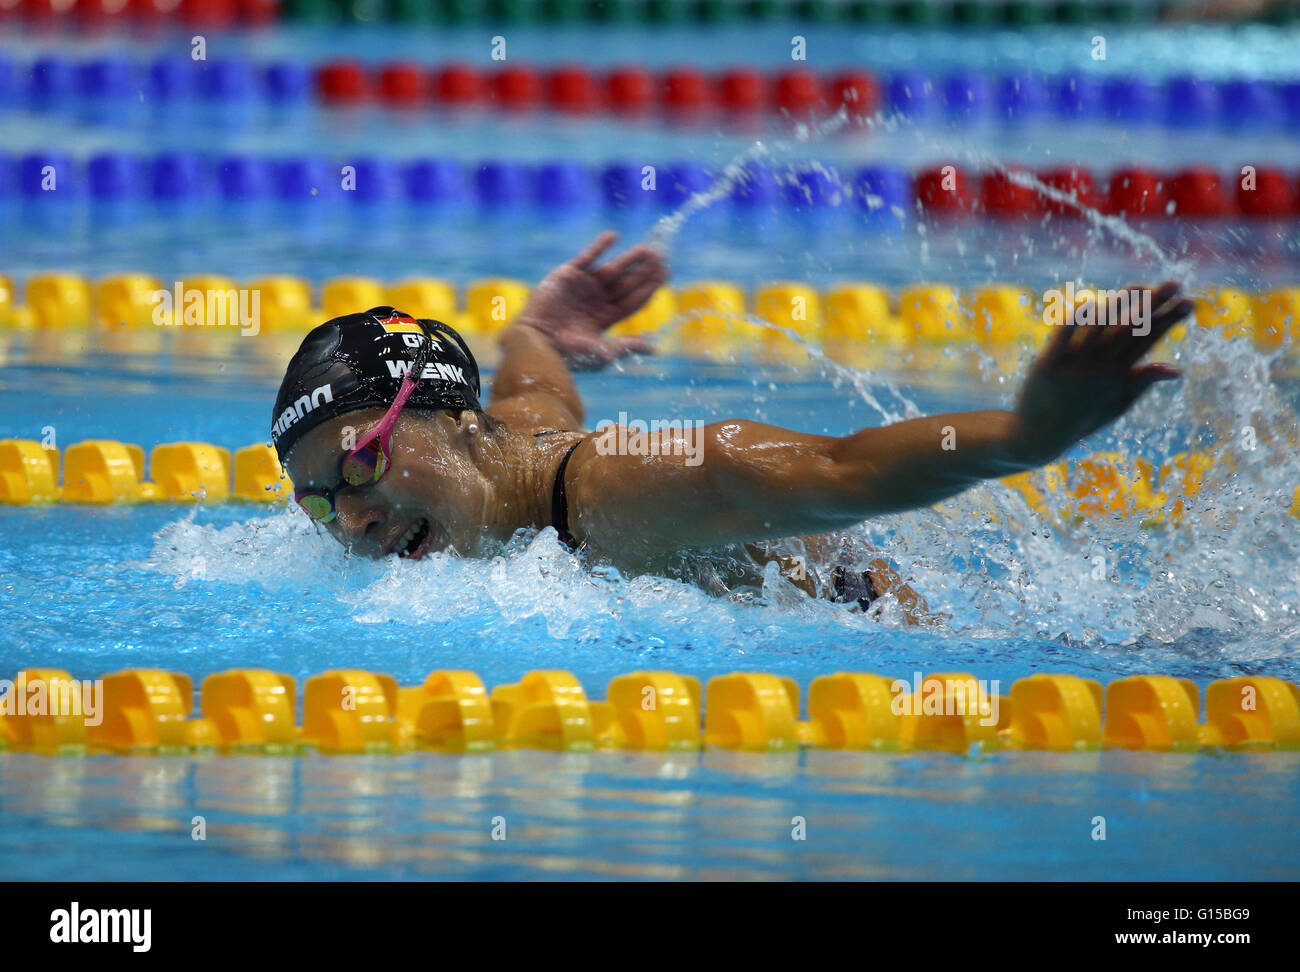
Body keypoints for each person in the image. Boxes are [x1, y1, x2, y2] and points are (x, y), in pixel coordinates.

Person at [271, 231, 1191, 620]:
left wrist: (1026, 437)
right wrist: (539, 331)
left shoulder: (621, 486)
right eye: (319, 501)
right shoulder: (503, 446)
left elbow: (843, 471)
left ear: (454, 420)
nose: (350, 519)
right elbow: (534, 388)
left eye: (359, 465)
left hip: (904, 640)